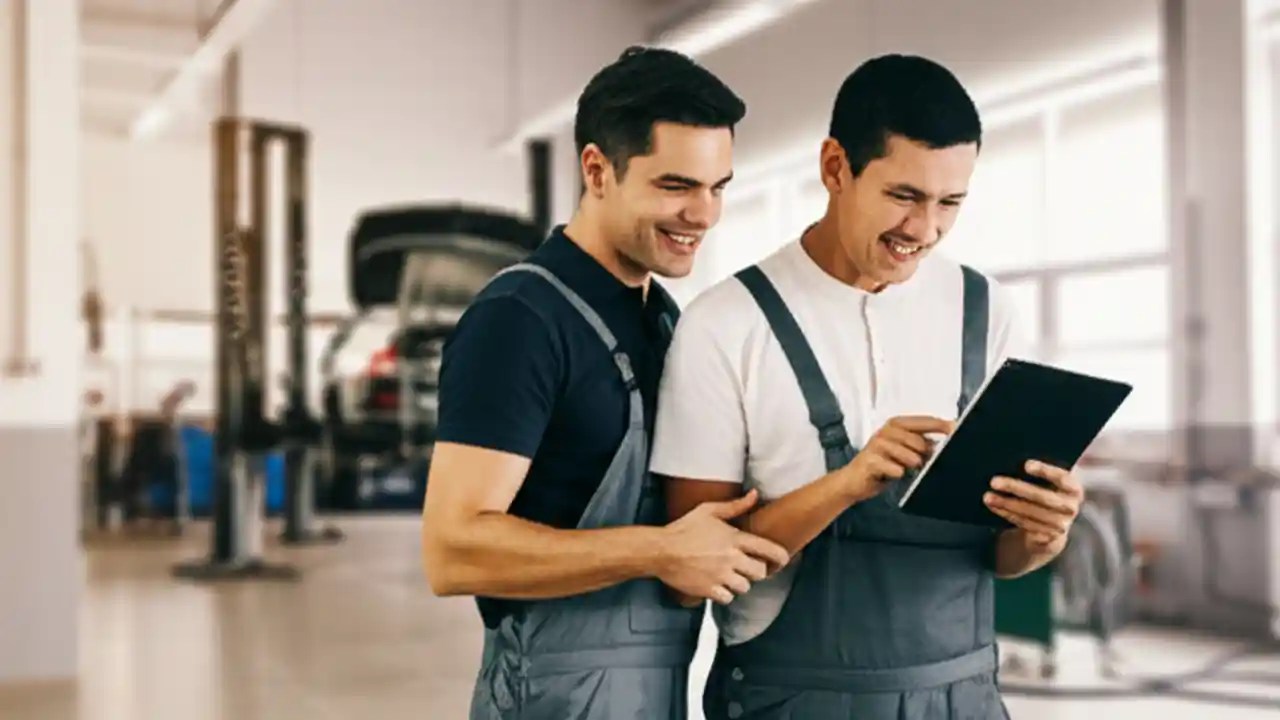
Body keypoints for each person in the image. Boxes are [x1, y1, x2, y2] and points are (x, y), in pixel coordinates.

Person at [650, 54, 1086, 719]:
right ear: (835, 168)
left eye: (950, 203)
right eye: (904, 197)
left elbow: (999, 558)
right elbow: (692, 573)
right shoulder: (726, 324)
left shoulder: (986, 311)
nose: (925, 229)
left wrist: (1042, 536)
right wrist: (846, 484)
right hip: (792, 699)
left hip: (962, 697)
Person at [422, 46, 791, 720]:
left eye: (719, 186)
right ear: (597, 170)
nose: (705, 214)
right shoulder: (522, 320)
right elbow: (452, 549)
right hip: (554, 697)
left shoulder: (664, 321)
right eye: (676, 186)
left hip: (656, 689)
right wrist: (659, 551)